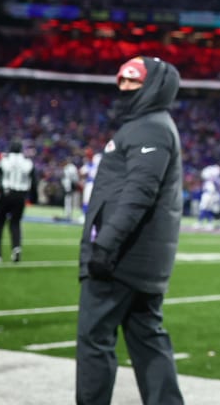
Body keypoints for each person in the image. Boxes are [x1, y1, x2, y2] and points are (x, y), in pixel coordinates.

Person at [75, 56, 185, 405]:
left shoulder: (149, 128)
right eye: (121, 81)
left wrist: (104, 246)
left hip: (123, 258)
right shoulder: (151, 125)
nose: (123, 88)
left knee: (95, 340)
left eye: (132, 82)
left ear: (151, 85)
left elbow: (139, 193)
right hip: (142, 259)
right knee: (148, 342)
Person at [0, 139, 34, 264]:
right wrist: (33, 198)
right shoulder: (27, 162)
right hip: (20, 196)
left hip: (6, 194)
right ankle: (16, 247)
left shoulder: (5, 161)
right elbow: (33, 181)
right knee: (15, 223)